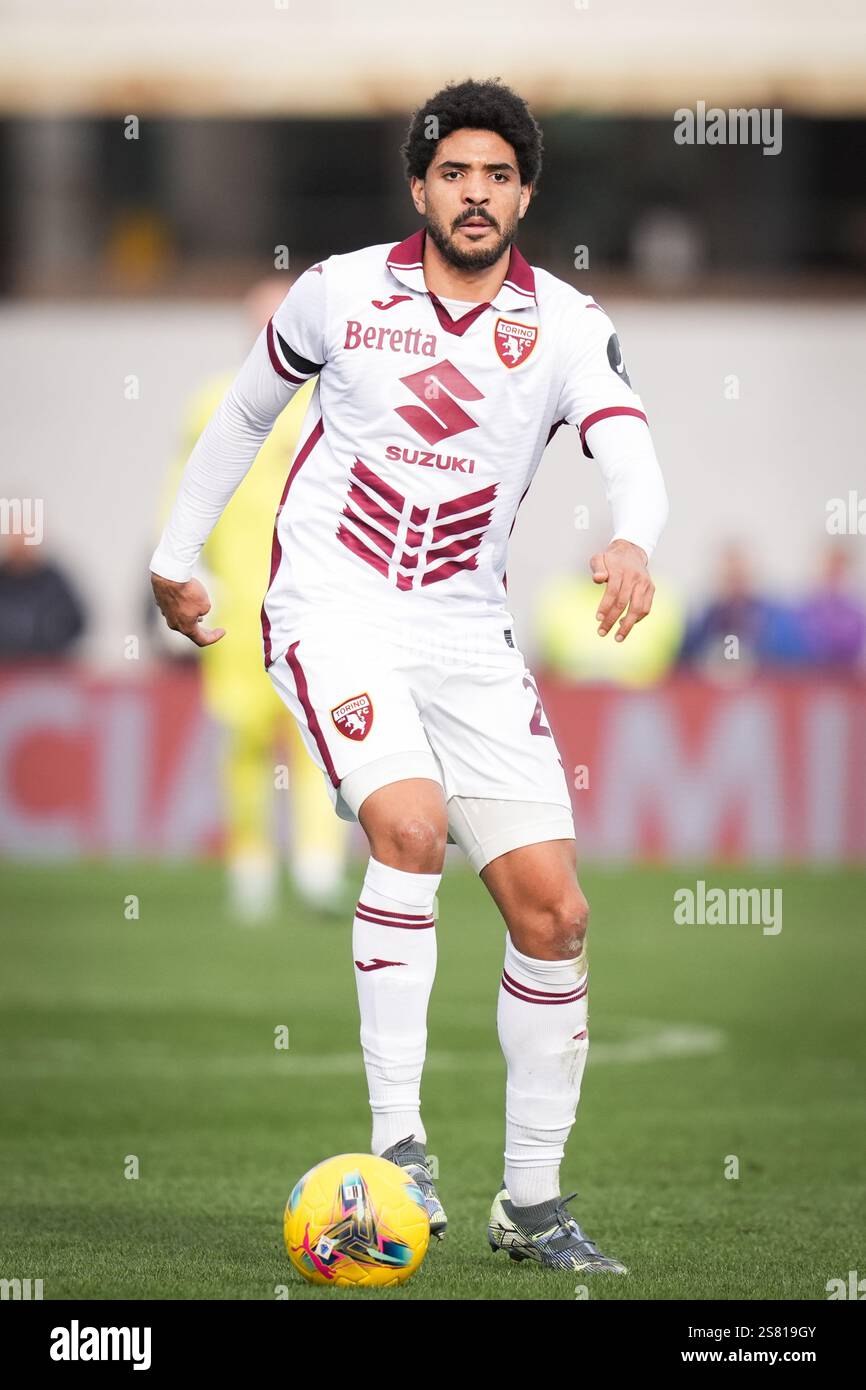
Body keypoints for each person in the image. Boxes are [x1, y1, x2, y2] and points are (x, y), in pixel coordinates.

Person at [150, 78, 668, 1274]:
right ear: (418, 187)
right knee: (409, 825)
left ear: (525, 192)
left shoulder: (568, 325)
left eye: (497, 175)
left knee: (554, 910)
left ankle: (529, 1205)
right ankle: (401, 1152)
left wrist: (633, 532)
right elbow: (239, 418)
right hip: (331, 607)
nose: (474, 193)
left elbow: (629, 448)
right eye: (453, 173)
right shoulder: (338, 292)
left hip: (464, 632)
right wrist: (176, 562)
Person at [161, 280, 351, 921]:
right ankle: (250, 865)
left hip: (317, 604)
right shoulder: (215, 403)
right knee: (242, 740)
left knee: (318, 736)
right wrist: (178, 569)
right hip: (238, 609)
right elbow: (183, 494)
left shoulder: (334, 402)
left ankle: (319, 867)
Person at [0, 530, 86, 660]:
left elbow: (76, 621)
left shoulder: (55, 581)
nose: (22, 544)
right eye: (16, 537)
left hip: (48, 666)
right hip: (5, 667)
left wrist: (51, 639)